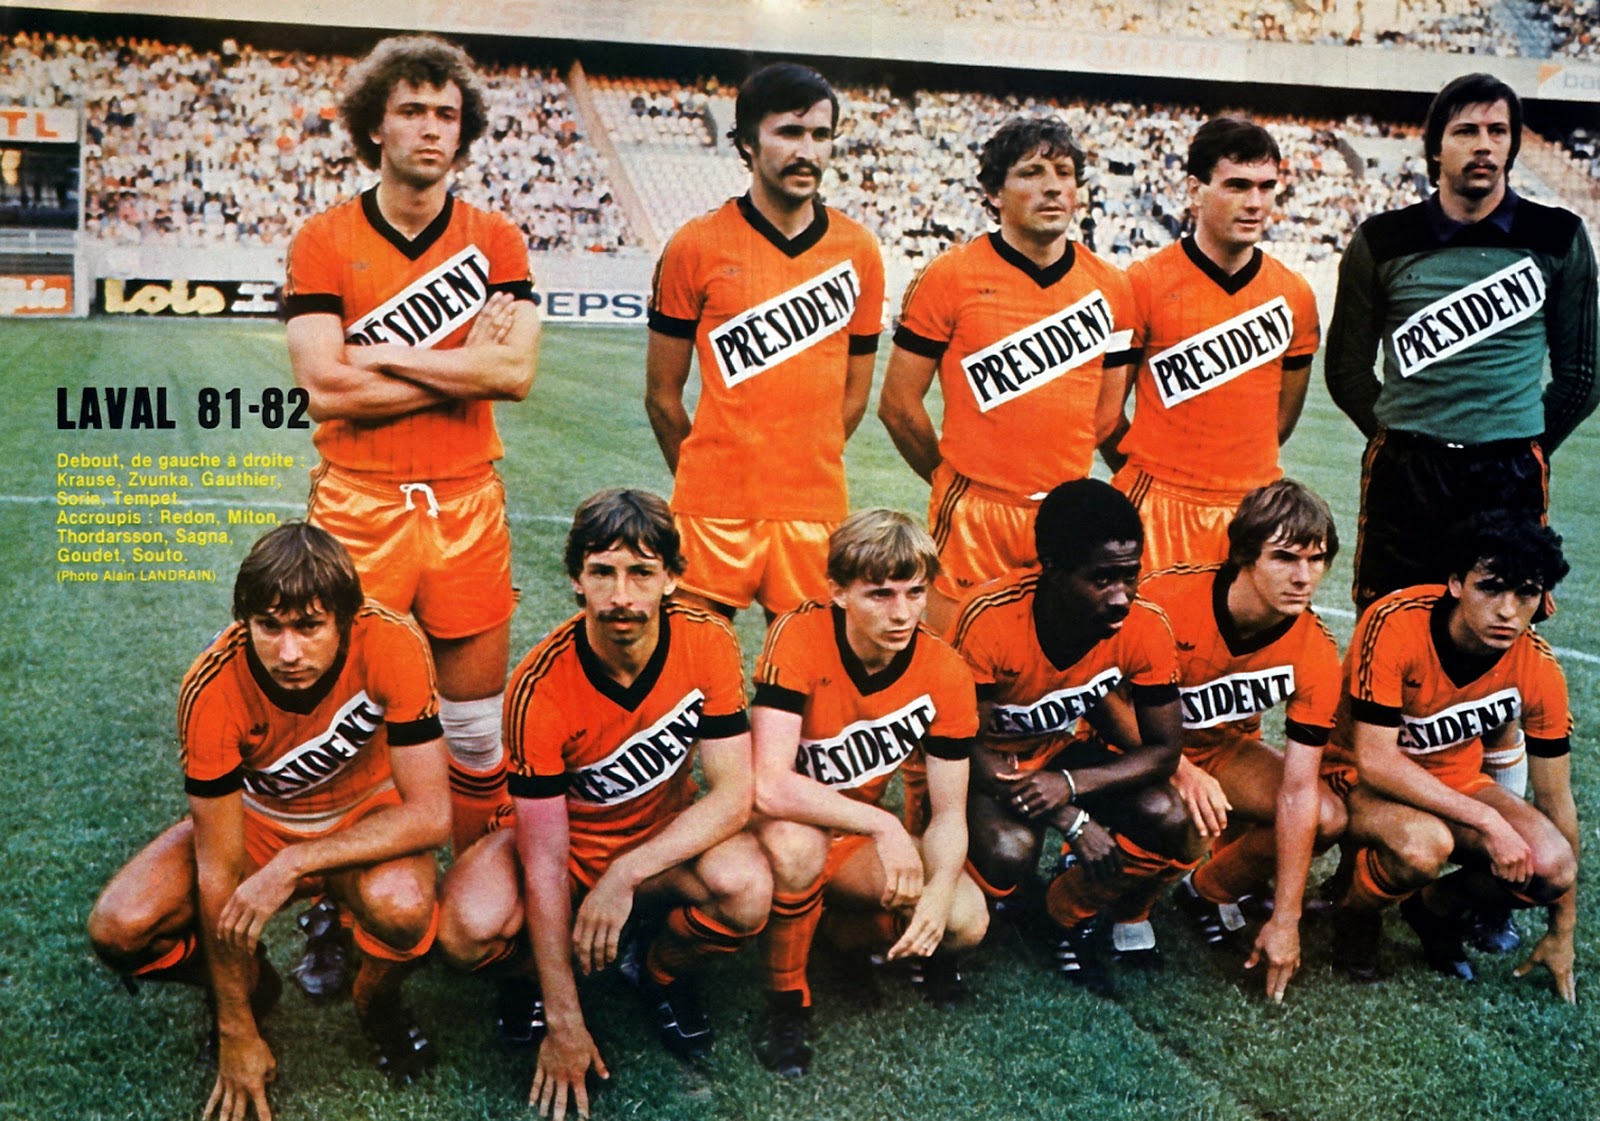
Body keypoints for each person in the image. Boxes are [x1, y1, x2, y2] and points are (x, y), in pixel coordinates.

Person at [86, 523, 450, 1120]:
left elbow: (431, 816)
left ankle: (376, 1000)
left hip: (366, 813)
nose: (288, 652)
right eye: (269, 626)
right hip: (260, 821)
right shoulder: (212, 687)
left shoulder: (391, 640)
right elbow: (218, 867)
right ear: (244, 622)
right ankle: (257, 989)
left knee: (405, 907)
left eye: (309, 627)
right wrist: (236, 1024)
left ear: (346, 619)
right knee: (120, 927)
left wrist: (296, 863)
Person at [283, 35, 541, 876]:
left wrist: (385, 354)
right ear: (374, 126)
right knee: (345, 721)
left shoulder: (496, 239)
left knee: (474, 728)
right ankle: (337, 899)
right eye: (412, 111)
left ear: (463, 132)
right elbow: (326, 388)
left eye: (447, 114)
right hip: (358, 504)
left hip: (466, 503)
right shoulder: (323, 239)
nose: (432, 128)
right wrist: (465, 367)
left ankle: (475, 898)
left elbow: (514, 374)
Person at [436, 489, 771, 1119]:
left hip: (657, 845)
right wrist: (566, 1020)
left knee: (747, 887)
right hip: (567, 852)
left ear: (671, 578)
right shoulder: (539, 685)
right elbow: (543, 860)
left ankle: (658, 968)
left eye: (641, 573)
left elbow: (734, 795)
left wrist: (626, 874)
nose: (621, 596)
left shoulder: (709, 640)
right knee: (465, 929)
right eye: (602, 572)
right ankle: (535, 984)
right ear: (576, 579)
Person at [1324, 72, 1598, 614]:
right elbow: (1346, 370)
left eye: (1498, 131)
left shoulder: (1559, 236)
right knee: (1389, 625)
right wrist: (1401, 436)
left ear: (1512, 146)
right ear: (1435, 147)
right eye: (1466, 130)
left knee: (1500, 633)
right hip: (1406, 474)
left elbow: (1583, 376)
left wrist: (1521, 441)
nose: (1484, 145)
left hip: (1509, 473)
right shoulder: (1381, 239)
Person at [645, 62, 886, 622]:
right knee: (697, 664)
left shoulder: (859, 250)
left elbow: (854, 397)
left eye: (821, 135)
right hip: (711, 510)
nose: (808, 151)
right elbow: (661, 396)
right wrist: (709, 480)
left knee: (803, 667)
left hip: (814, 507)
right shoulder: (695, 245)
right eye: (789, 132)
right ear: (748, 143)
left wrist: (800, 461)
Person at [749, 509, 986, 1076]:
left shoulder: (945, 671)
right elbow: (769, 785)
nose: (901, 613)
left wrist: (938, 890)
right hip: (772, 825)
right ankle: (787, 999)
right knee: (797, 846)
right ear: (838, 591)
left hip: (847, 833)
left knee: (965, 918)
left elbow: (949, 814)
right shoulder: (800, 634)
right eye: (880, 594)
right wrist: (882, 824)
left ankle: (839, 932)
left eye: (914, 592)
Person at [879, 115, 1137, 631]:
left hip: (1067, 518)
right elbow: (898, 406)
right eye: (1032, 172)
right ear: (994, 193)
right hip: (974, 514)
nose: (1052, 187)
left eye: (1064, 173)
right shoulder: (950, 276)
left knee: (1055, 661)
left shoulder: (1113, 287)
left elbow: (1106, 417)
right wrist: (951, 478)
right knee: (959, 656)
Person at [948, 479, 1199, 994]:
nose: (1121, 597)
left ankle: (1063, 910)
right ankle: (993, 906)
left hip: (1055, 754)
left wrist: (1068, 784)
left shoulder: (1145, 625)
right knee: (1009, 849)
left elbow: (1164, 750)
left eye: (1130, 576)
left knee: (1169, 814)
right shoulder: (990, 617)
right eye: (1101, 579)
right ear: (1052, 568)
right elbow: (959, 743)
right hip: (984, 764)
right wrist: (1068, 816)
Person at [1324, 512, 1578, 1002]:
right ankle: (1355, 912)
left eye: (1526, 594)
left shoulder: (1538, 667)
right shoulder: (1396, 621)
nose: (1508, 611)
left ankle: (1433, 907)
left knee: (1554, 867)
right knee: (1424, 847)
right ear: (1456, 583)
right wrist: (1488, 821)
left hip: (1455, 783)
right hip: (1355, 777)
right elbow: (1375, 762)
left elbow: (1556, 799)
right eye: (1491, 588)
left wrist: (1562, 928)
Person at [1138, 479, 1346, 1002]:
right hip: (1129, 746)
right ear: (1244, 555)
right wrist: (1177, 767)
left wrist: (1287, 918)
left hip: (1219, 750)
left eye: (1317, 560)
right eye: (1285, 558)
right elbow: (1104, 698)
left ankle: (1208, 891)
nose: (1304, 577)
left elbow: (1298, 790)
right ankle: (1102, 897)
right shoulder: (1168, 598)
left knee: (1327, 816)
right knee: (1178, 817)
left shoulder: (1315, 650)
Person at [1106, 118, 1321, 575]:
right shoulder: (1143, 282)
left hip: (1253, 510)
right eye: (1237, 185)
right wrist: (1152, 474)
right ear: (1194, 189)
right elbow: (1106, 416)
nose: (1255, 203)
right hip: (1157, 504)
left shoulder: (1294, 294)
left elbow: (1280, 422)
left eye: (1266, 187)